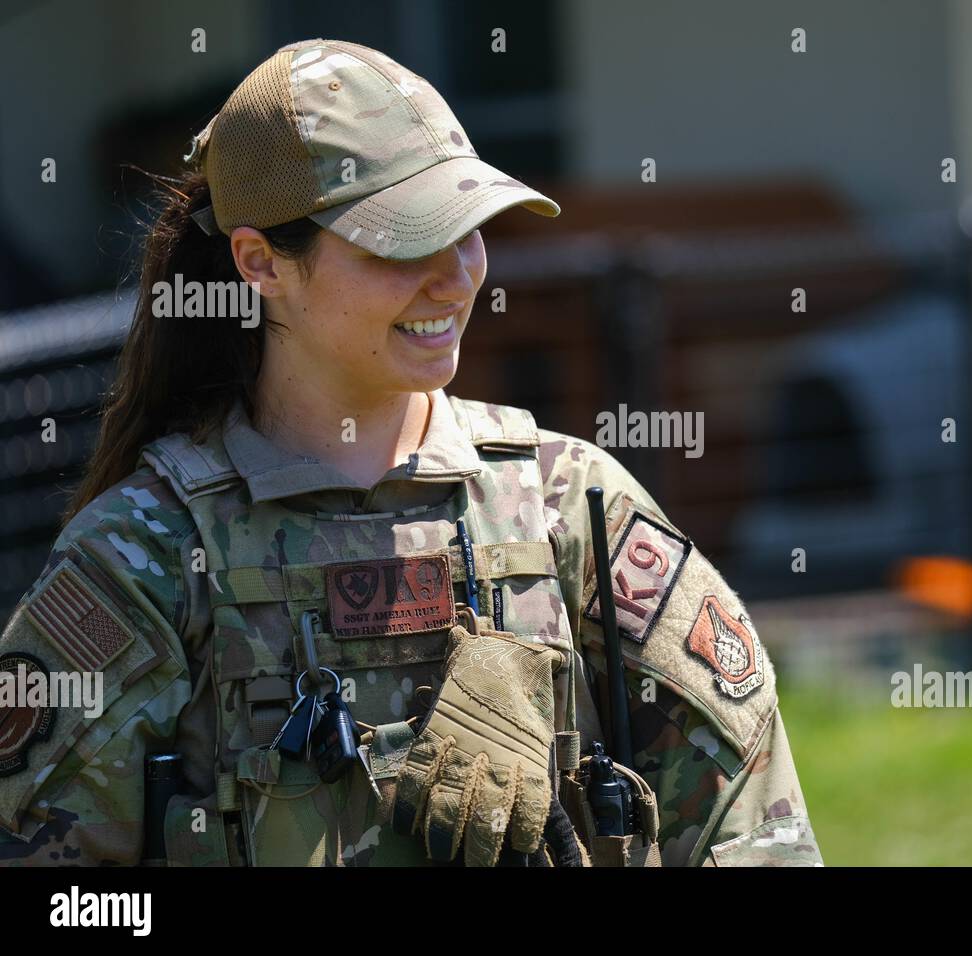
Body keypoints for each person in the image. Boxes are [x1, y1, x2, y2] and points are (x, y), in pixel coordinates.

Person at [0, 38, 821, 867]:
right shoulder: (147, 558)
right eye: (400, 242)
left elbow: (758, 834)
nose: (455, 275)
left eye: (467, 227)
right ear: (259, 263)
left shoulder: (570, 509)